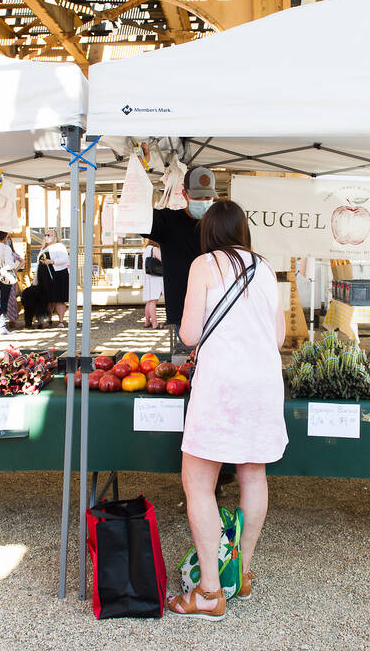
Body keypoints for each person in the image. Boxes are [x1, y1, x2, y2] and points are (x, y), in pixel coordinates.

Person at [169, 200, 286, 620]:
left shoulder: (203, 265)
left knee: (199, 482)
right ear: (242, 231)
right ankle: (244, 573)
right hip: (264, 384)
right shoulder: (265, 268)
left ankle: (209, 593)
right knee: (253, 474)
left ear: (208, 232)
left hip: (222, 386)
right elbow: (278, 337)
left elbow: (188, 334)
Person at [144, 166, 216, 350]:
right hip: (184, 312)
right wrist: (142, 166)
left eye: (207, 198)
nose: (203, 202)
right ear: (185, 194)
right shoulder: (168, 221)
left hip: (217, 309)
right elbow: (137, 215)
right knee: (192, 359)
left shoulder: (219, 225)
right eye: (198, 197)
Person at [0, 231, 24, 335]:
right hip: (4, 278)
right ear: (6, 237)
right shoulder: (6, 248)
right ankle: (1, 326)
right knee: (4, 302)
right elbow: (9, 265)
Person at [37, 229, 69, 327]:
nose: (47, 237)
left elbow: (64, 259)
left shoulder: (59, 246)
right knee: (47, 299)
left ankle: (61, 321)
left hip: (58, 276)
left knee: (59, 299)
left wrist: (51, 261)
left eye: (49, 235)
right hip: (45, 277)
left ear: (55, 237)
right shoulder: (43, 248)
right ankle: (47, 320)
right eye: (46, 235)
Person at [142, 239, 163, 329]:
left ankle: (147, 322)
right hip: (155, 278)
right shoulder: (154, 249)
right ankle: (155, 324)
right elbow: (163, 260)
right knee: (153, 302)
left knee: (149, 301)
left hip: (148, 278)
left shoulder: (146, 250)